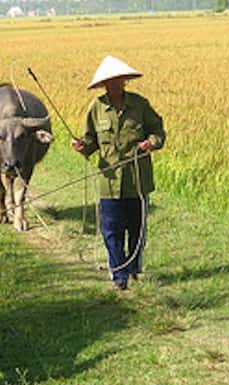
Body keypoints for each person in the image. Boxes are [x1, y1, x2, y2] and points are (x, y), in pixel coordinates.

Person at [71, 56, 166, 291]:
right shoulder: (96, 109)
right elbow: (91, 141)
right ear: (103, 84)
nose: (114, 84)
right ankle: (119, 274)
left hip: (137, 180)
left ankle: (133, 269)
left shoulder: (140, 105)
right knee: (111, 229)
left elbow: (158, 131)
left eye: (118, 80)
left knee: (137, 228)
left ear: (124, 81)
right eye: (109, 82)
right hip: (109, 182)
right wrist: (82, 146)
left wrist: (150, 143)